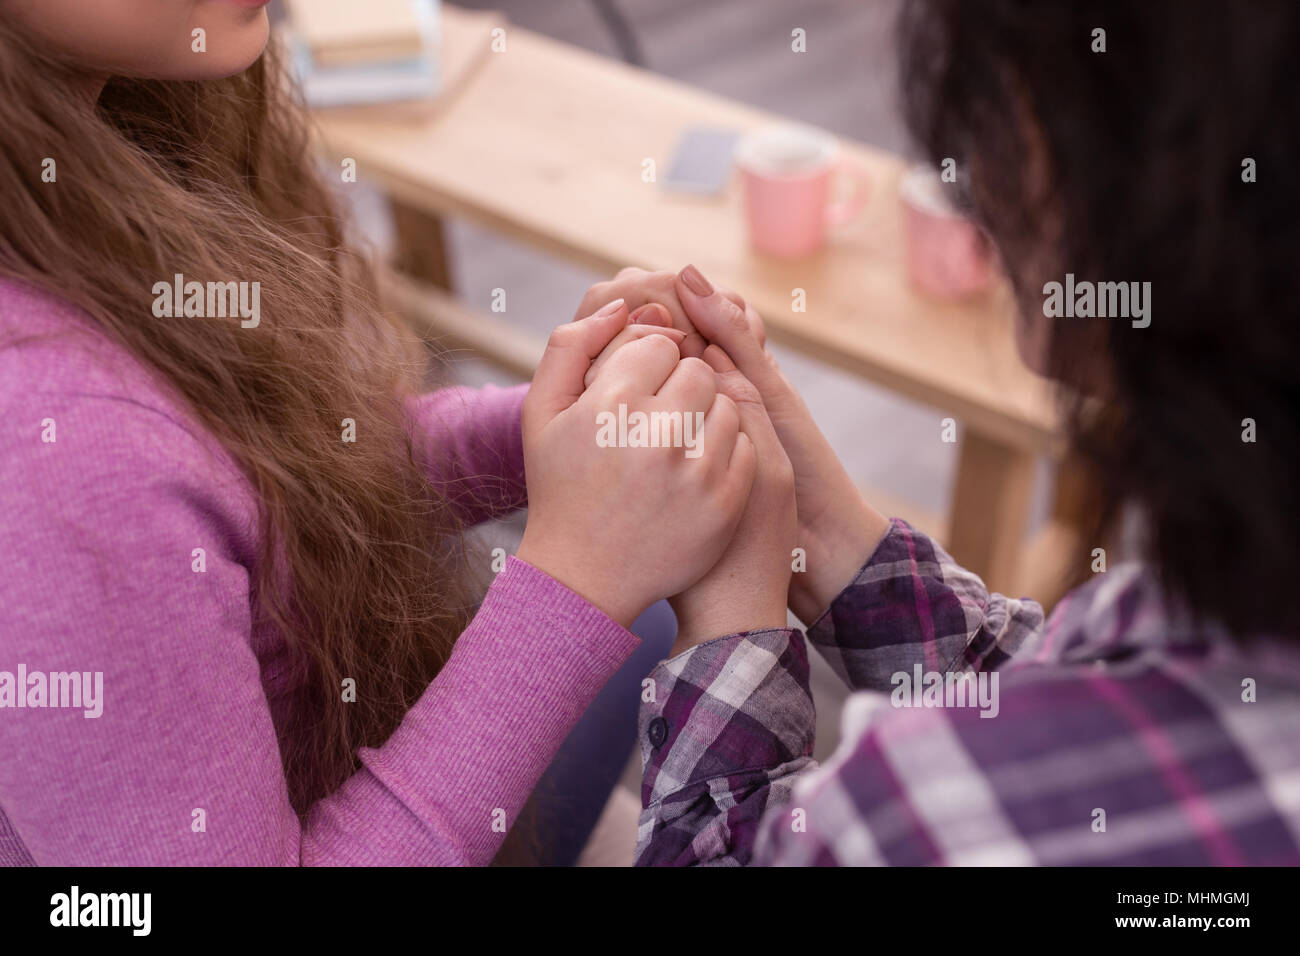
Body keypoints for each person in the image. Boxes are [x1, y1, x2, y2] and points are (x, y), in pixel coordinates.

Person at [0, 0, 770, 865]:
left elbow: (273, 484)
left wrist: (568, 431)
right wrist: (576, 587)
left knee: (658, 628)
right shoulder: (48, 455)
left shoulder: (105, 172)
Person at [597, 0, 1300, 866]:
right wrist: (818, 529)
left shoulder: (908, 809)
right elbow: (1059, 686)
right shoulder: (1215, 608)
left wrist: (730, 605)